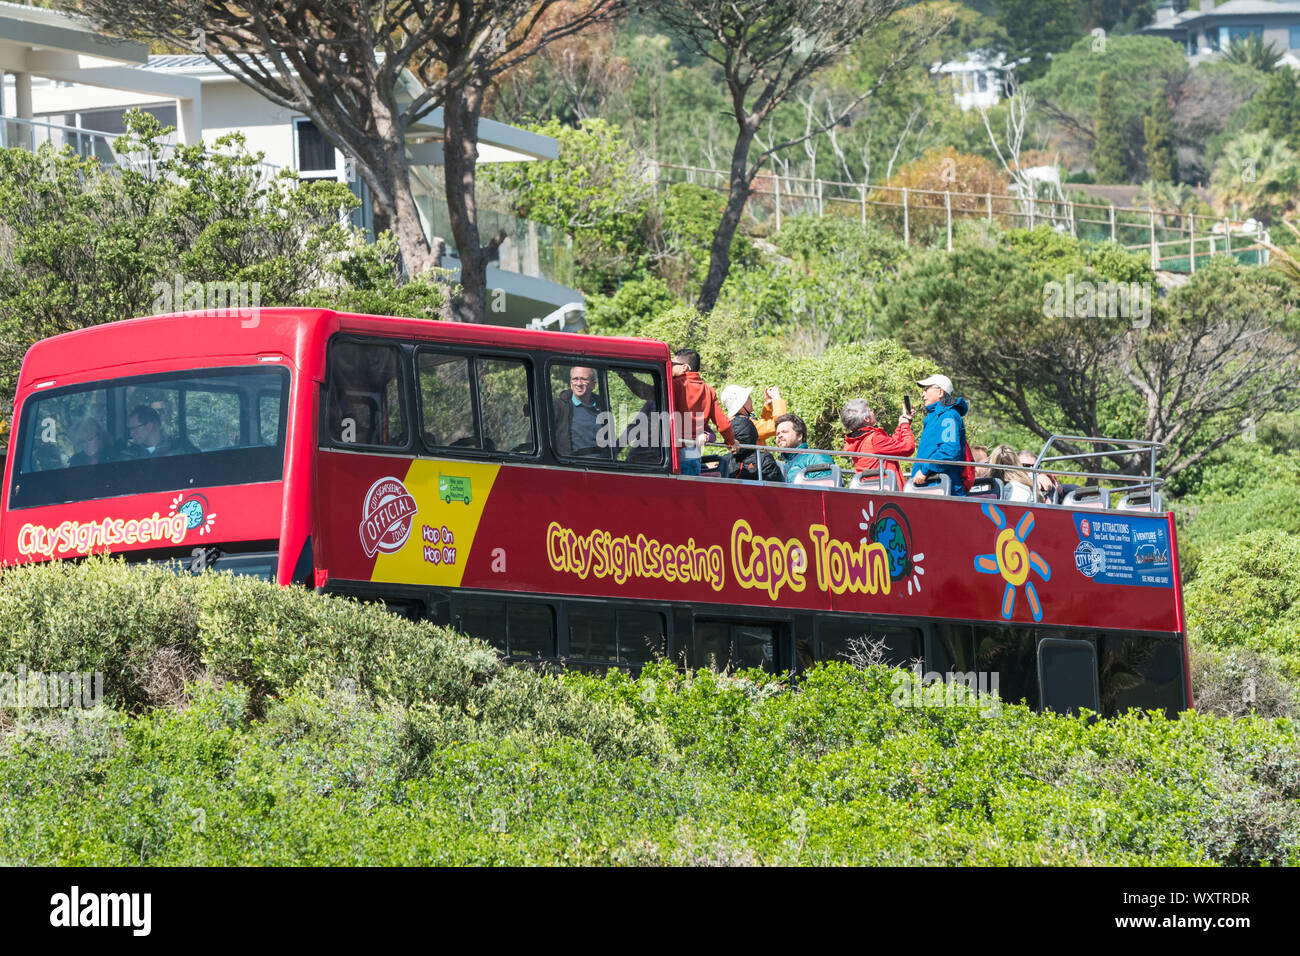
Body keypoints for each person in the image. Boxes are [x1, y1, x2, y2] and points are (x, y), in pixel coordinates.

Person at [671, 349, 737, 476]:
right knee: (689, 494)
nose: (669, 366)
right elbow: (723, 424)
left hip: (672, 451)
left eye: (672, 363)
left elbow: (647, 393)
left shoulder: (675, 386)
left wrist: (629, 379)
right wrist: (731, 442)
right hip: (694, 453)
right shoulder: (708, 390)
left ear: (684, 367)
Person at [911, 373, 970, 495]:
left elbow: (949, 452)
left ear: (940, 392)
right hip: (930, 487)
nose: (923, 394)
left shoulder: (948, 416)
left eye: (926, 389)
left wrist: (924, 471)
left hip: (943, 489)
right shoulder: (934, 416)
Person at [841, 398, 914, 488]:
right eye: (870, 410)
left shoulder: (856, 440)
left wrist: (901, 425)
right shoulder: (874, 438)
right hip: (887, 490)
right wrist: (905, 425)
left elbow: (891, 447)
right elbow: (908, 448)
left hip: (869, 488)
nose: (873, 412)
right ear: (866, 419)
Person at [552, 366, 605, 457]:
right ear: (570, 383)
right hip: (571, 467)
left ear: (594, 384)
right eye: (575, 379)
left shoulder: (603, 407)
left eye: (584, 379)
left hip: (600, 467)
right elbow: (535, 437)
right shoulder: (558, 406)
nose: (579, 383)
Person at [775, 413, 834, 483]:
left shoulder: (816, 456)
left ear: (800, 436)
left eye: (784, 432)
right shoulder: (783, 466)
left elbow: (826, 485)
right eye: (777, 434)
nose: (779, 436)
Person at [720, 383, 787, 445]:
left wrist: (768, 405)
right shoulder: (743, 424)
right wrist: (777, 399)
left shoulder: (738, 421)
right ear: (742, 405)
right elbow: (778, 425)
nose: (751, 400)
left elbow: (764, 425)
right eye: (748, 397)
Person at [125, 405, 199, 458]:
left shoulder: (182, 448)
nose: (131, 434)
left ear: (149, 426)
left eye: (134, 428)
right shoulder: (129, 455)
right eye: (130, 429)